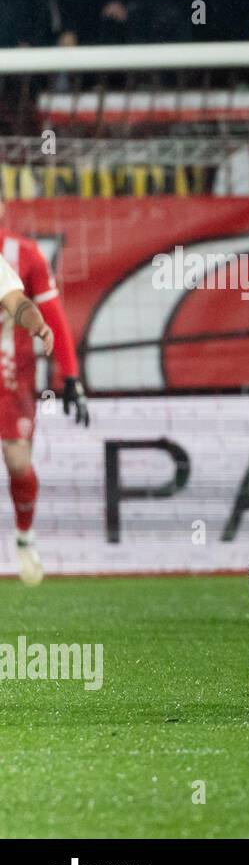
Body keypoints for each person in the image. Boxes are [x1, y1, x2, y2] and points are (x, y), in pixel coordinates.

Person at [0, 205, 87, 585]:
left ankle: (24, 538)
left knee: (18, 461)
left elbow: (25, 306)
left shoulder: (21, 255)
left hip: (10, 374)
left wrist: (70, 374)